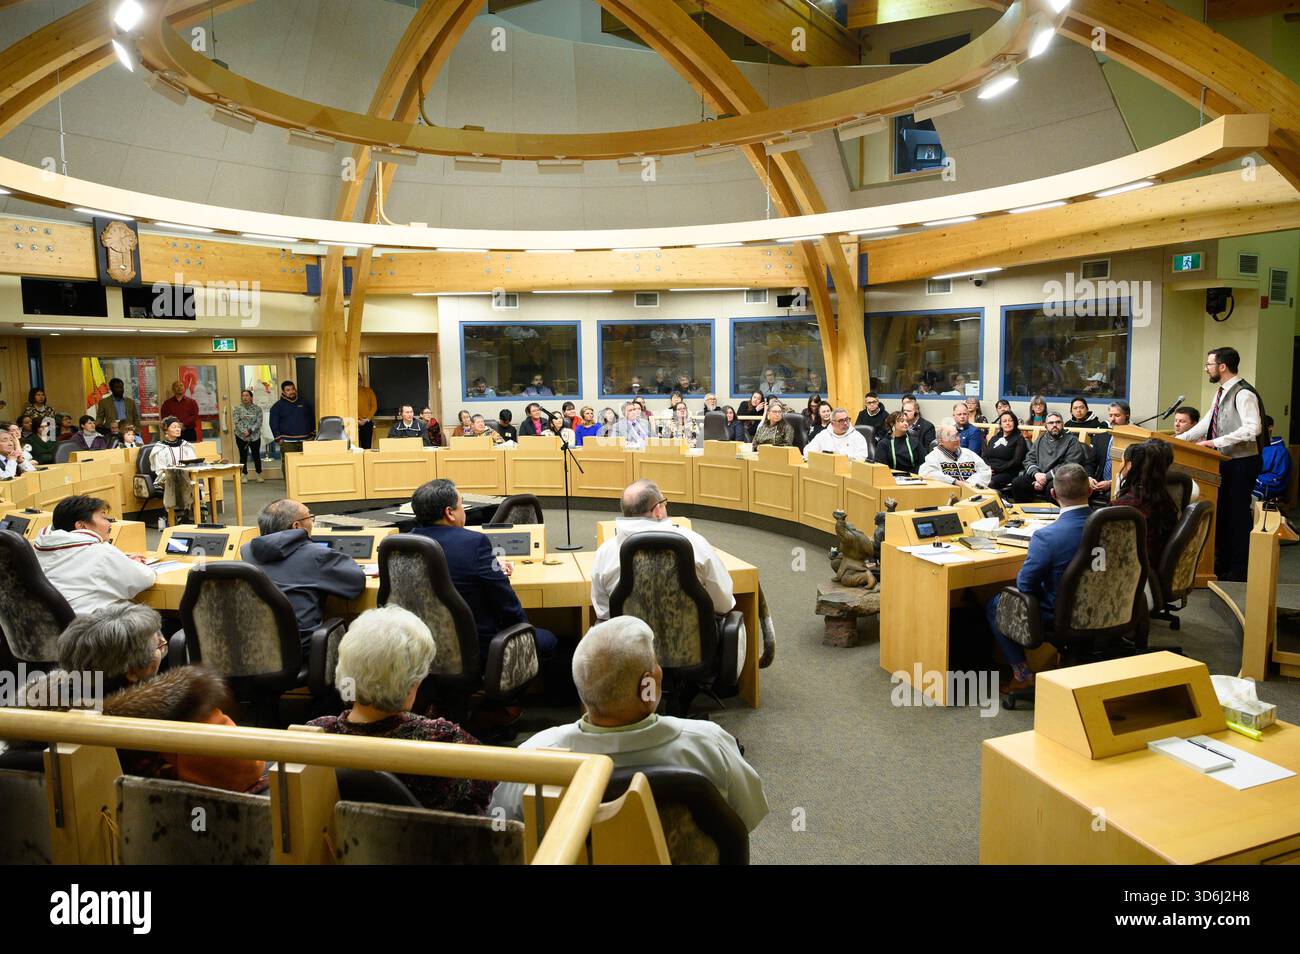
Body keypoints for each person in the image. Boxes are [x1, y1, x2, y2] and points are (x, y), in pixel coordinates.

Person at [488, 616, 768, 831]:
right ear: (648, 685)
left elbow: (504, 832)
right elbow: (747, 819)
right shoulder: (710, 744)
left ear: (582, 687)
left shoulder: (533, 758)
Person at [49, 605, 266, 793]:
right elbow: (249, 768)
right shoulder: (188, 715)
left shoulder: (43, 721)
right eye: (159, 645)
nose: (163, 644)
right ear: (133, 672)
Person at [307, 606, 495, 814]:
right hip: (429, 845)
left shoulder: (312, 737)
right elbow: (491, 797)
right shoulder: (443, 740)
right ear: (411, 684)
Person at [409, 479, 559, 664]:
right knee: (550, 641)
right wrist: (524, 629)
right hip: (478, 649)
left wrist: (489, 563)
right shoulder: (474, 543)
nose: (463, 509)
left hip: (421, 649)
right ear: (449, 513)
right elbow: (506, 602)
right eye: (461, 504)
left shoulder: (405, 545)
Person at [986, 463, 1092, 693]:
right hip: (1109, 608)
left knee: (997, 603)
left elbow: (1025, 585)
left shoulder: (1047, 536)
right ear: (1091, 491)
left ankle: (1022, 675)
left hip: (1061, 613)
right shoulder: (1114, 524)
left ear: (1053, 494)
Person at [1178, 346, 1264, 581]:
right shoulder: (1221, 392)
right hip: (1223, 461)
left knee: (1237, 515)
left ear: (1222, 366)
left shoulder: (1244, 393)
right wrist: (1173, 440)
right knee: (1224, 513)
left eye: (1209, 364)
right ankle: (1223, 563)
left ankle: (1239, 569)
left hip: (1242, 462)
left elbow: (1253, 428)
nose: (1207, 368)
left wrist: (1215, 443)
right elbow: (1205, 424)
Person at [589, 480, 733, 620]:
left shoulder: (605, 553)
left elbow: (604, 612)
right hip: (692, 642)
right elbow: (723, 603)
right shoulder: (695, 542)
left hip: (631, 643)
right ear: (658, 510)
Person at [240, 499, 366, 655]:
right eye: (309, 517)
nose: (312, 522)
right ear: (296, 526)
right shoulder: (317, 555)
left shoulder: (246, 553)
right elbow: (356, 585)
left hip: (253, 650)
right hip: (301, 652)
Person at [31, 495, 156, 615]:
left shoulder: (39, 548)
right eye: (103, 517)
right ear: (81, 525)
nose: (109, 523)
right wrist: (136, 564)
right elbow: (144, 578)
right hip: (92, 627)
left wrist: (123, 560)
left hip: (51, 628)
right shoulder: (100, 552)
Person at [1111, 440, 1179, 571]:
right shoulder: (1163, 497)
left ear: (1129, 465)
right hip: (1155, 568)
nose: (1120, 465)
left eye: (1122, 461)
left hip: (1133, 573)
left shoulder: (1125, 505)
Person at [1009, 412, 1087, 503]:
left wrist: (1046, 477)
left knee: (1053, 488)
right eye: (1051, 423)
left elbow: (1070, 465)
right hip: (1039, 476)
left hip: (1059, 477)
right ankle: (1026, 515)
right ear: (1046, 426)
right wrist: (1036, 475)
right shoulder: (1040, 439)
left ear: (1063, 424)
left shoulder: (1072, 440)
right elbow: (1029, 460)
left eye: (1058, 422)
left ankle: (1052, 517)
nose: (1054, 425)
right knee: (1018, 483)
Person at [150, 417, 198, 520]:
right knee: (174, 478)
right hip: (166, 477)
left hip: (186, 475)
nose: (178, 429)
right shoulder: (160, 448)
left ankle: (194, 514)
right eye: (174, 427)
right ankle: (178, 515)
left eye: (178, 427)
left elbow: (192, 462)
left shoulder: (186, 446)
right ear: (166, 430)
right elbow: (160, 469)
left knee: (193, 479)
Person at [920, 423, 992, 487]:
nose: (957, 439)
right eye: (952, 437)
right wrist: (954, 482)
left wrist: (969, 483)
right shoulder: (933, 457)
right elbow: (928, 474)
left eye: (957, 435)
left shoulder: (968, 453)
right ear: (941, 441)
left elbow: (985, 470)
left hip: (973, 492)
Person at [1087, 401, 1131, 497]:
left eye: (1117, 415)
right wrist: (1090, 478)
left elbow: (1134, 470)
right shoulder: (1101, 437)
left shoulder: (1133, 439)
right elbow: (1090, 463)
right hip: (1098, 482)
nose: (1112, 419)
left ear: (1127, 417)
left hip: (1123, 484)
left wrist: (1112, 483)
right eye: (1110, 415)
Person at [804, 407, 870, 461]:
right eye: (841, 421)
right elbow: (807, 451)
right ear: (832, 423)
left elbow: (862, 458)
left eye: (846, 419)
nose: (845, 423)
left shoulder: (857, 437)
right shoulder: (824, 435)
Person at [984, 411, 1028, 491]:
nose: (1007, 423)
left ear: (1014, 422)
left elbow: (1016, 461)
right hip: (990, 471)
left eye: (1010, 420)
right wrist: (987, 468)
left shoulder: (1019, 439)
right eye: (1004, 421)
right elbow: (985, 456)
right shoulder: (994, 438)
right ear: (1001, 424)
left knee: (988, 483)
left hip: (1008, 472)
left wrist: (997, 469)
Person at [269, 380, 314, 454]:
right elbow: (273, 423)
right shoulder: (277, 406)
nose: (291, 391)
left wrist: (312, 434)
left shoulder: (305, 404)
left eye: (293, 389)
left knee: (305, 464)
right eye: (288, 390)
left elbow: (311, 419)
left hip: (306, 441)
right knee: (288, 464)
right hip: (287, 442)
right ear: (283, 392)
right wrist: (278, 438)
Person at [1254, 416, 1291, 502]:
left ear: (1270, 428)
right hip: (1253, 481)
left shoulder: (1280, 450)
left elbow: (1277, 477)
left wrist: (1256, 479)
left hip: (1267, 487)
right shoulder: (1254, 446)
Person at [232, 389, 264, 482]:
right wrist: (244, 431)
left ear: (251, 397)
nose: (245, 397)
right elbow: (236, 422)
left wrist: (250, 430)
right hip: (241, 436)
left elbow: (259, 421)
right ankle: (244, 475)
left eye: (247, 395)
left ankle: (259, 474)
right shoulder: (237, 409)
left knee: (256, 455)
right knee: (243, 456)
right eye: (243, 396)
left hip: (254, 436)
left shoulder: (257, 409)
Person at [357, 374, 377, 449]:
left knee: (367, 447)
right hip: (352, 423)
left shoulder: (369, 391)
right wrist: (356, 420)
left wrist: (367, 419)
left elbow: (374, 406)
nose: (358, 381)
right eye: (356, 379)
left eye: (359, 379)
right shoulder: (348, 393)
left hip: (367, 423)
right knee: (353, 447)